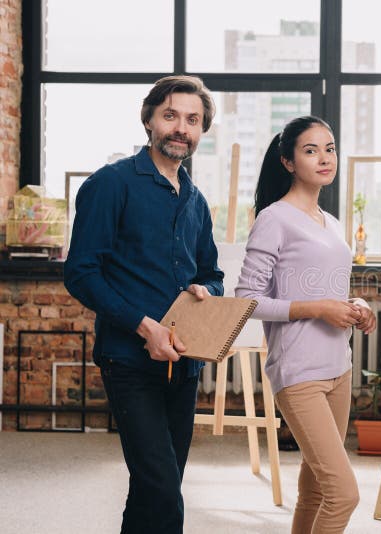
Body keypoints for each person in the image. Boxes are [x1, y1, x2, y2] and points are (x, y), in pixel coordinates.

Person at [64, 75, 223, 533]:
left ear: (201, 130)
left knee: (152, 490)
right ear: (149, 120)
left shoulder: (196, 201)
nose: (181, 128)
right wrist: (144, 326)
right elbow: (80, 272)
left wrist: (206, 292)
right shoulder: (111, 184)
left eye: (192, 120)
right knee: (164, 494)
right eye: (170, 115)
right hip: (129, 361)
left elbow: (210, 273)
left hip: (184, 364)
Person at [235, 116, 376, 534]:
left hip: (339, 367)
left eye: (329, 148)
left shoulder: (331, 222)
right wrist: (317, 309)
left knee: (315, 490)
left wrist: (357, 304)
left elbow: (328, 287)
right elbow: (246, 301)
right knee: (344, 493)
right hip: (299, 374)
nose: (324, 157)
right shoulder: (274, 218)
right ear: (288, 162)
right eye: (310, 150)